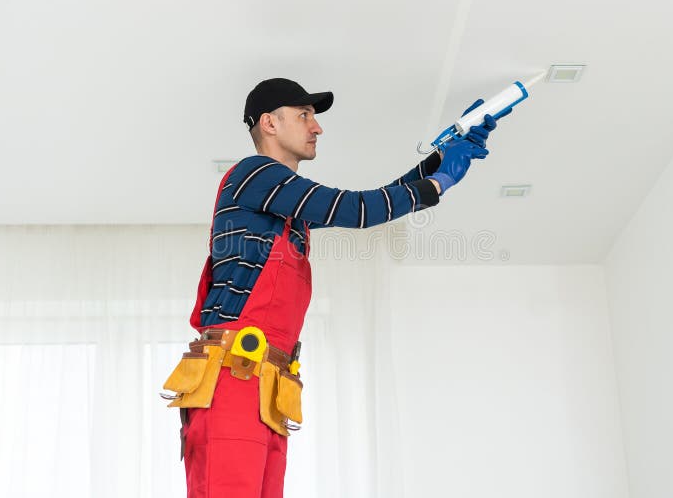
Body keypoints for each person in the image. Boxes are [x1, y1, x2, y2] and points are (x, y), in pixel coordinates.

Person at [176, 78, 498, 498]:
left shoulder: (287, 207)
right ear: (270, 124)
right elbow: (355, 208)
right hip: (233, 384)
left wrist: (443, 156)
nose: (317, 127)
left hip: (266, 390)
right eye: (304, 115)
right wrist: (437, 184)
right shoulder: (255, 175)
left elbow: (373, 199)